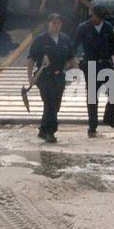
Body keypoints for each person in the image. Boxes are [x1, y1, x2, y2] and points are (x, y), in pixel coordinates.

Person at [27, 13, 76, 142]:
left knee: (55, 104)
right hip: (44, 77)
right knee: (50, 103)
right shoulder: (40, 40)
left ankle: (43, 129)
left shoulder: (65, 39)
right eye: (53, 22)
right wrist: (30, 77)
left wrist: (76, 72)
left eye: (58, 23)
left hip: (60, 76)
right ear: (48, 24)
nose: (56, 25)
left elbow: (71, 58)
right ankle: (50, 132)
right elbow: (31, 59)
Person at [74, 3, 114, 135]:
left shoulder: (107, 27)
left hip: (106, 63)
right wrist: (73, 63)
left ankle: (110, 118)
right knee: (92, 97)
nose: (99, 19)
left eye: (101, 17)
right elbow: (74, 46)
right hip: (91, 65)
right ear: (92, 14)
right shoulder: (83, 28)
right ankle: (92, 127)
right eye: (97, 16)